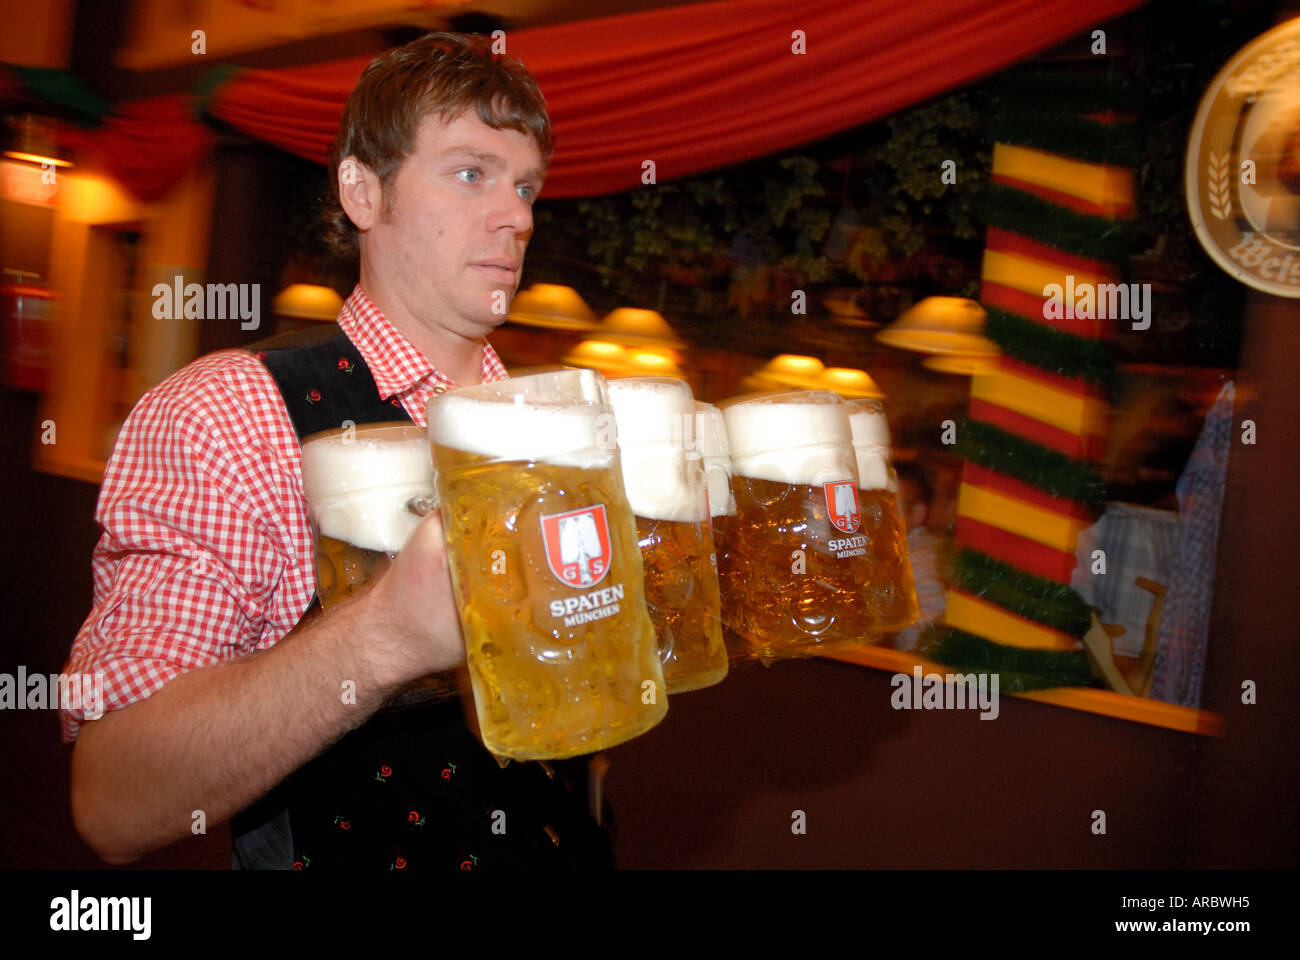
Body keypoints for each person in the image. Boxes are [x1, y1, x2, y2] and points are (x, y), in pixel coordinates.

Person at [61, 33, 610, 869]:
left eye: (526, 184)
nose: (519, 216)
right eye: (471, 173)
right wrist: (383, 636)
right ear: (361, 188)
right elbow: (112, 796)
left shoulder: (549, 422)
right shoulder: (233, 412)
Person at [890, 459, 951, 651]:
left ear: (916, 514)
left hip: (922, 667)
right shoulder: (928, 544)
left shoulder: (911, 561)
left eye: (886, 509)